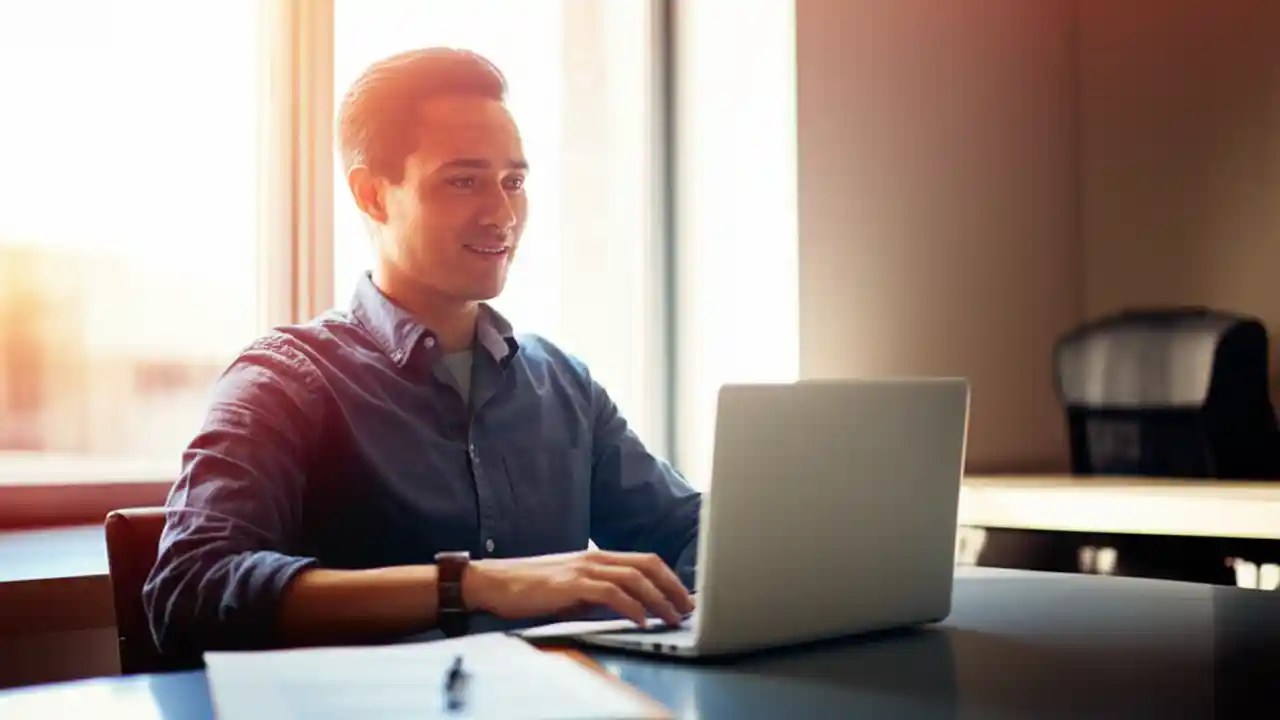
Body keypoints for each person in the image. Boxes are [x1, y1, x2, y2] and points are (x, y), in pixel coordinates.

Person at [142, 48, 699, 655]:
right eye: (463, 180)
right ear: (373, 196)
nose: (502, 214)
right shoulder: (284, 380)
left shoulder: (564, 384)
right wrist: (476, 585)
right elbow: (188, 591)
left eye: (513, 182)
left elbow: (694, 533)